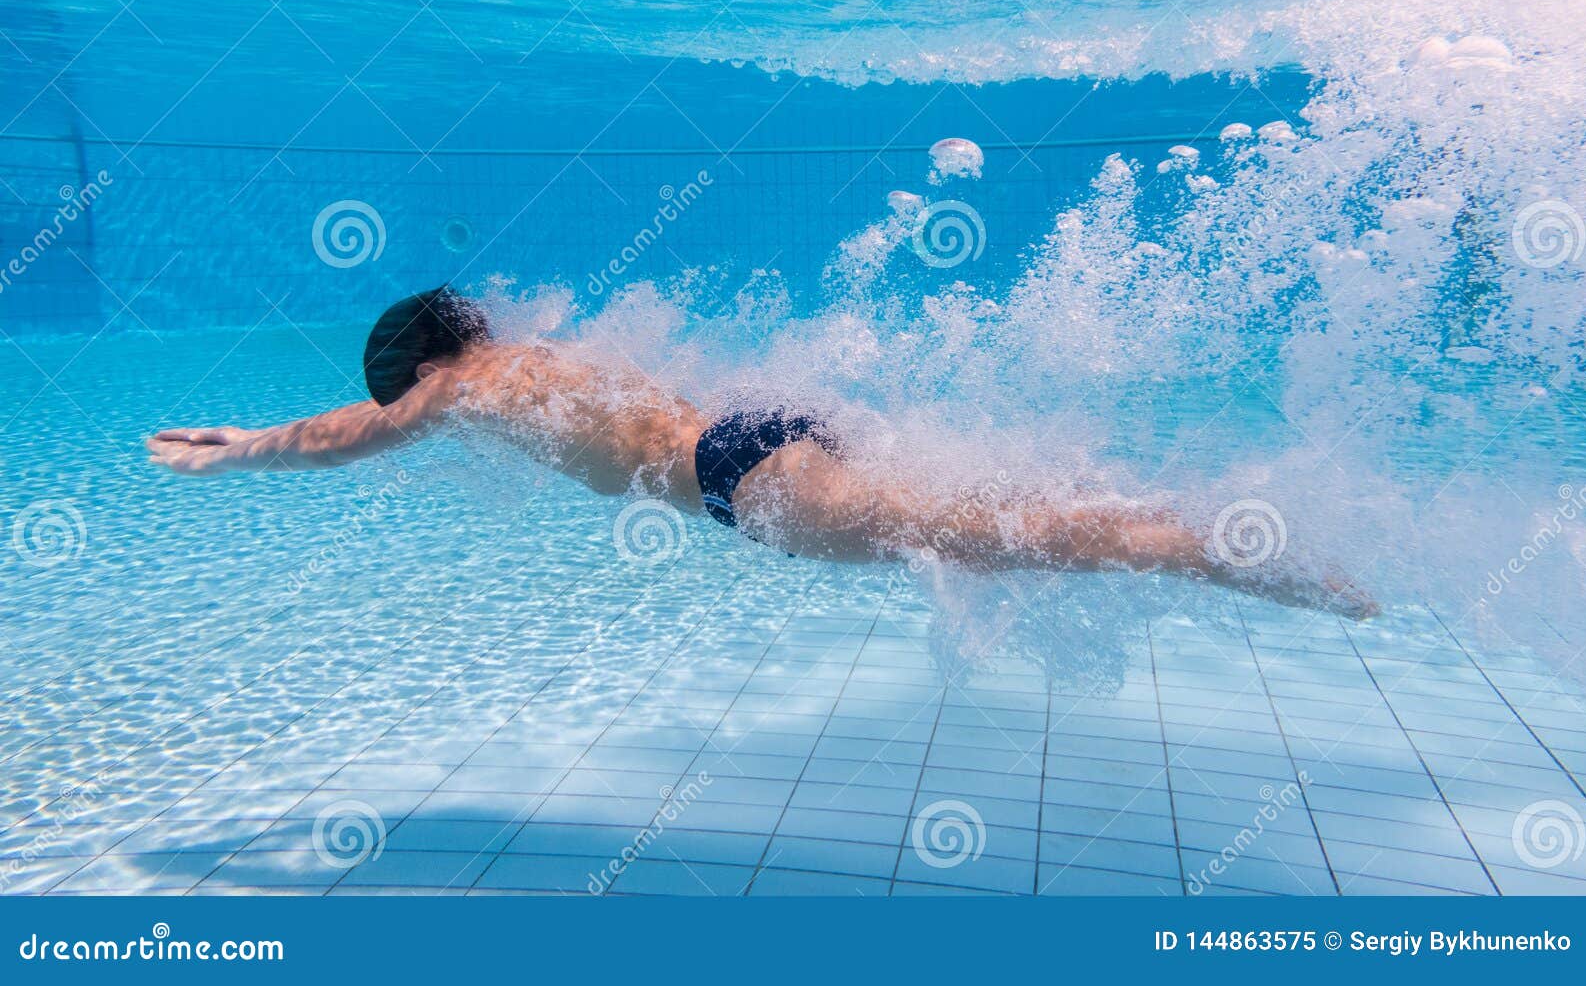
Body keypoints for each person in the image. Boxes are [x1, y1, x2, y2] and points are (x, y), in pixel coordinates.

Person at [146, 287, 1376, 619]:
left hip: (741, 478)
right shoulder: (536, 355)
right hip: (761, 433)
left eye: (405, 381)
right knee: (986, 528)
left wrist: (242, 447)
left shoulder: (458, 384)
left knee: (1023, 541)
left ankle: (1232, 552)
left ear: (421, 361)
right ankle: (1198, 529)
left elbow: (351, 438)